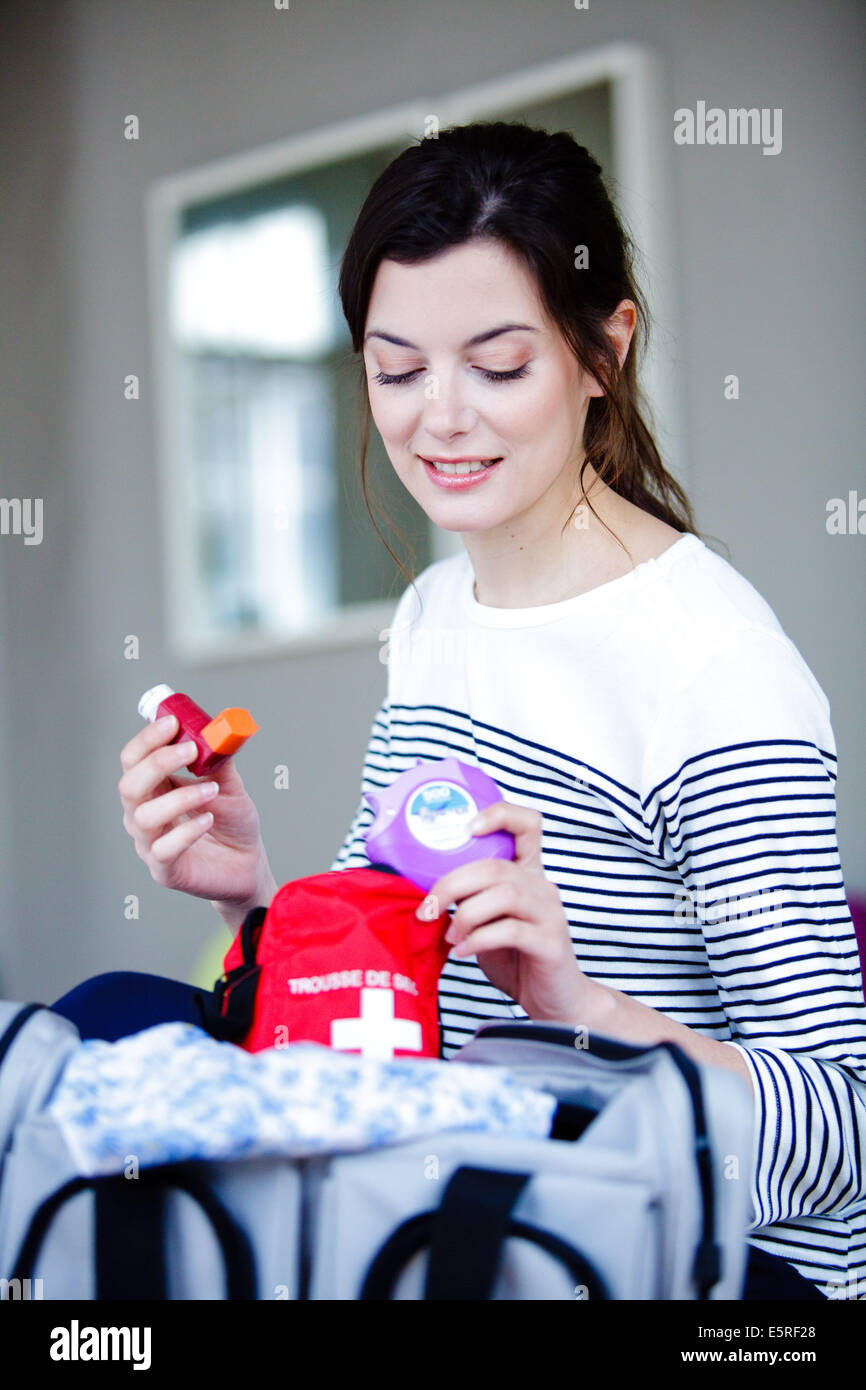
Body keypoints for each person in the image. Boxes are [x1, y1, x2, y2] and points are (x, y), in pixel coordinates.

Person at [98, 122, 866, 1300]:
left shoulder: (713, 673)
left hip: (697, 1262)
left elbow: (838, 1136)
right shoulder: (433, 615)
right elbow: (382, 995)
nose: (437, 420)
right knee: (113, 1023)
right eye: (395, 370)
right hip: (469, 1190)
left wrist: (575, 1005)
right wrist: (253, 891)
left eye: (497, 366)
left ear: (601, 352)